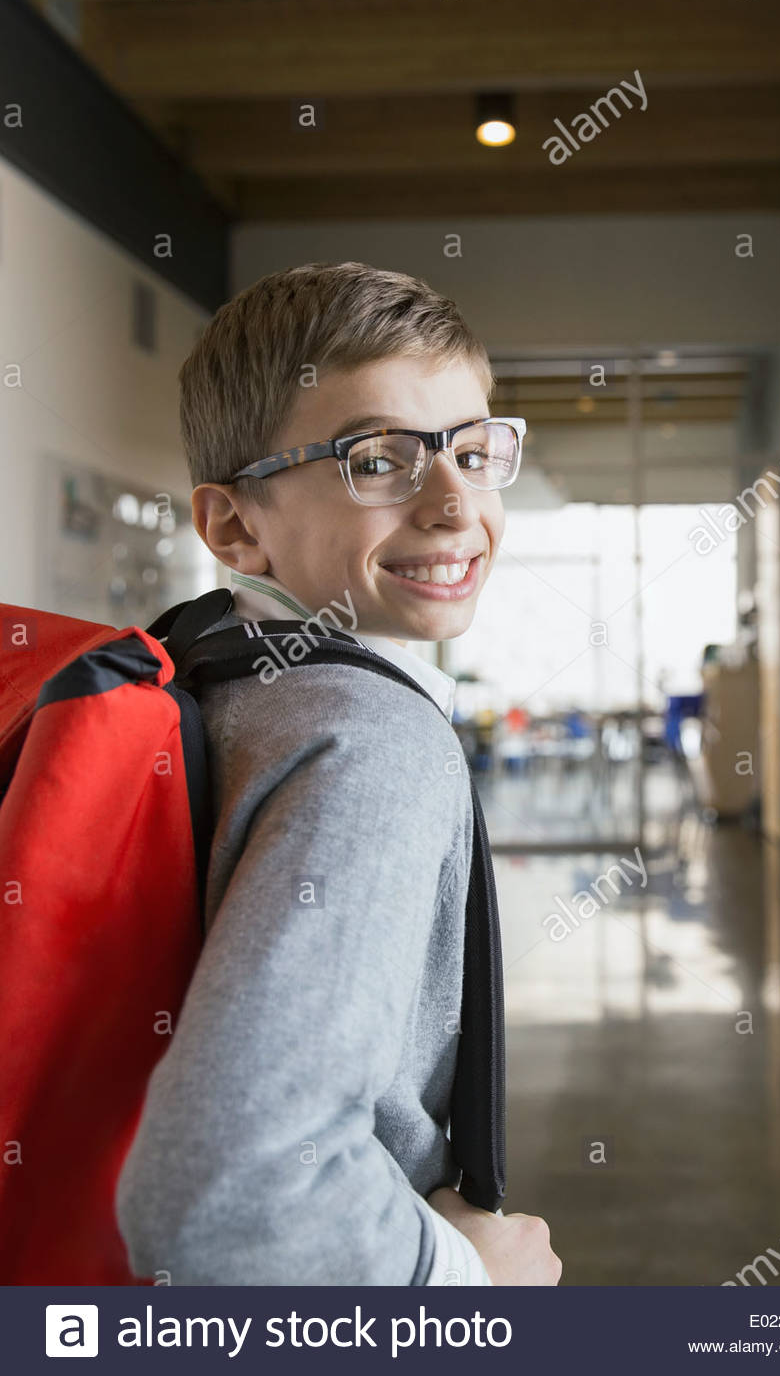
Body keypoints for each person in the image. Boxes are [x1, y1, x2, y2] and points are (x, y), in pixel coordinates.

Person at [114, 261, 561, 1287]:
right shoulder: (369, 741)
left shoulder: (207, 668)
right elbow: (229, 1195)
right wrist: (465, 1280)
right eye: (377, 460)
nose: (456, 505)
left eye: (475, 449)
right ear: (234, 526)